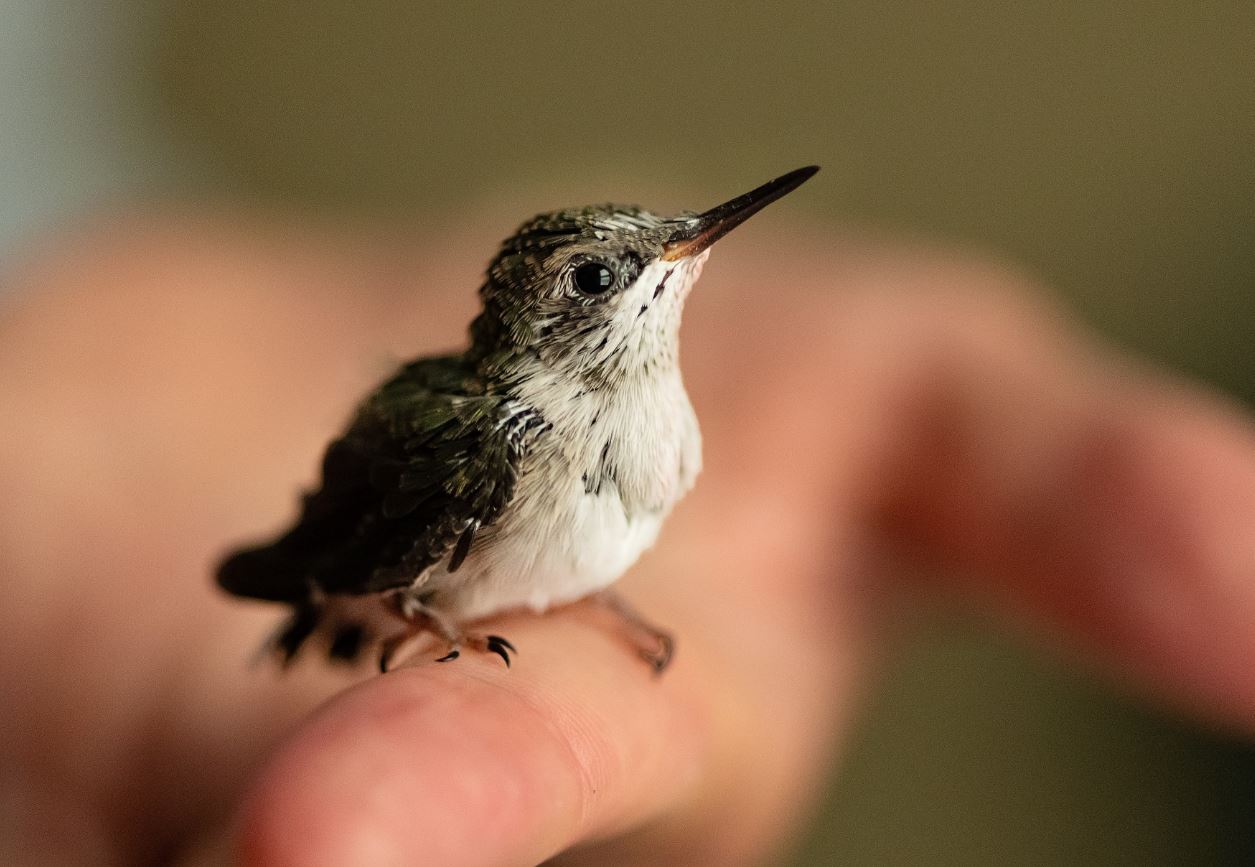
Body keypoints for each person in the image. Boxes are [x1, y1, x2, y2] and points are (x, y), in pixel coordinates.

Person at [3, 212, 1253, 866]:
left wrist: (588, 600)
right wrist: (418, 612)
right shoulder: (482, 437)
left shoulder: (669, 428)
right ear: (553, 323)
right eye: (607, 274)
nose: (670, 263)